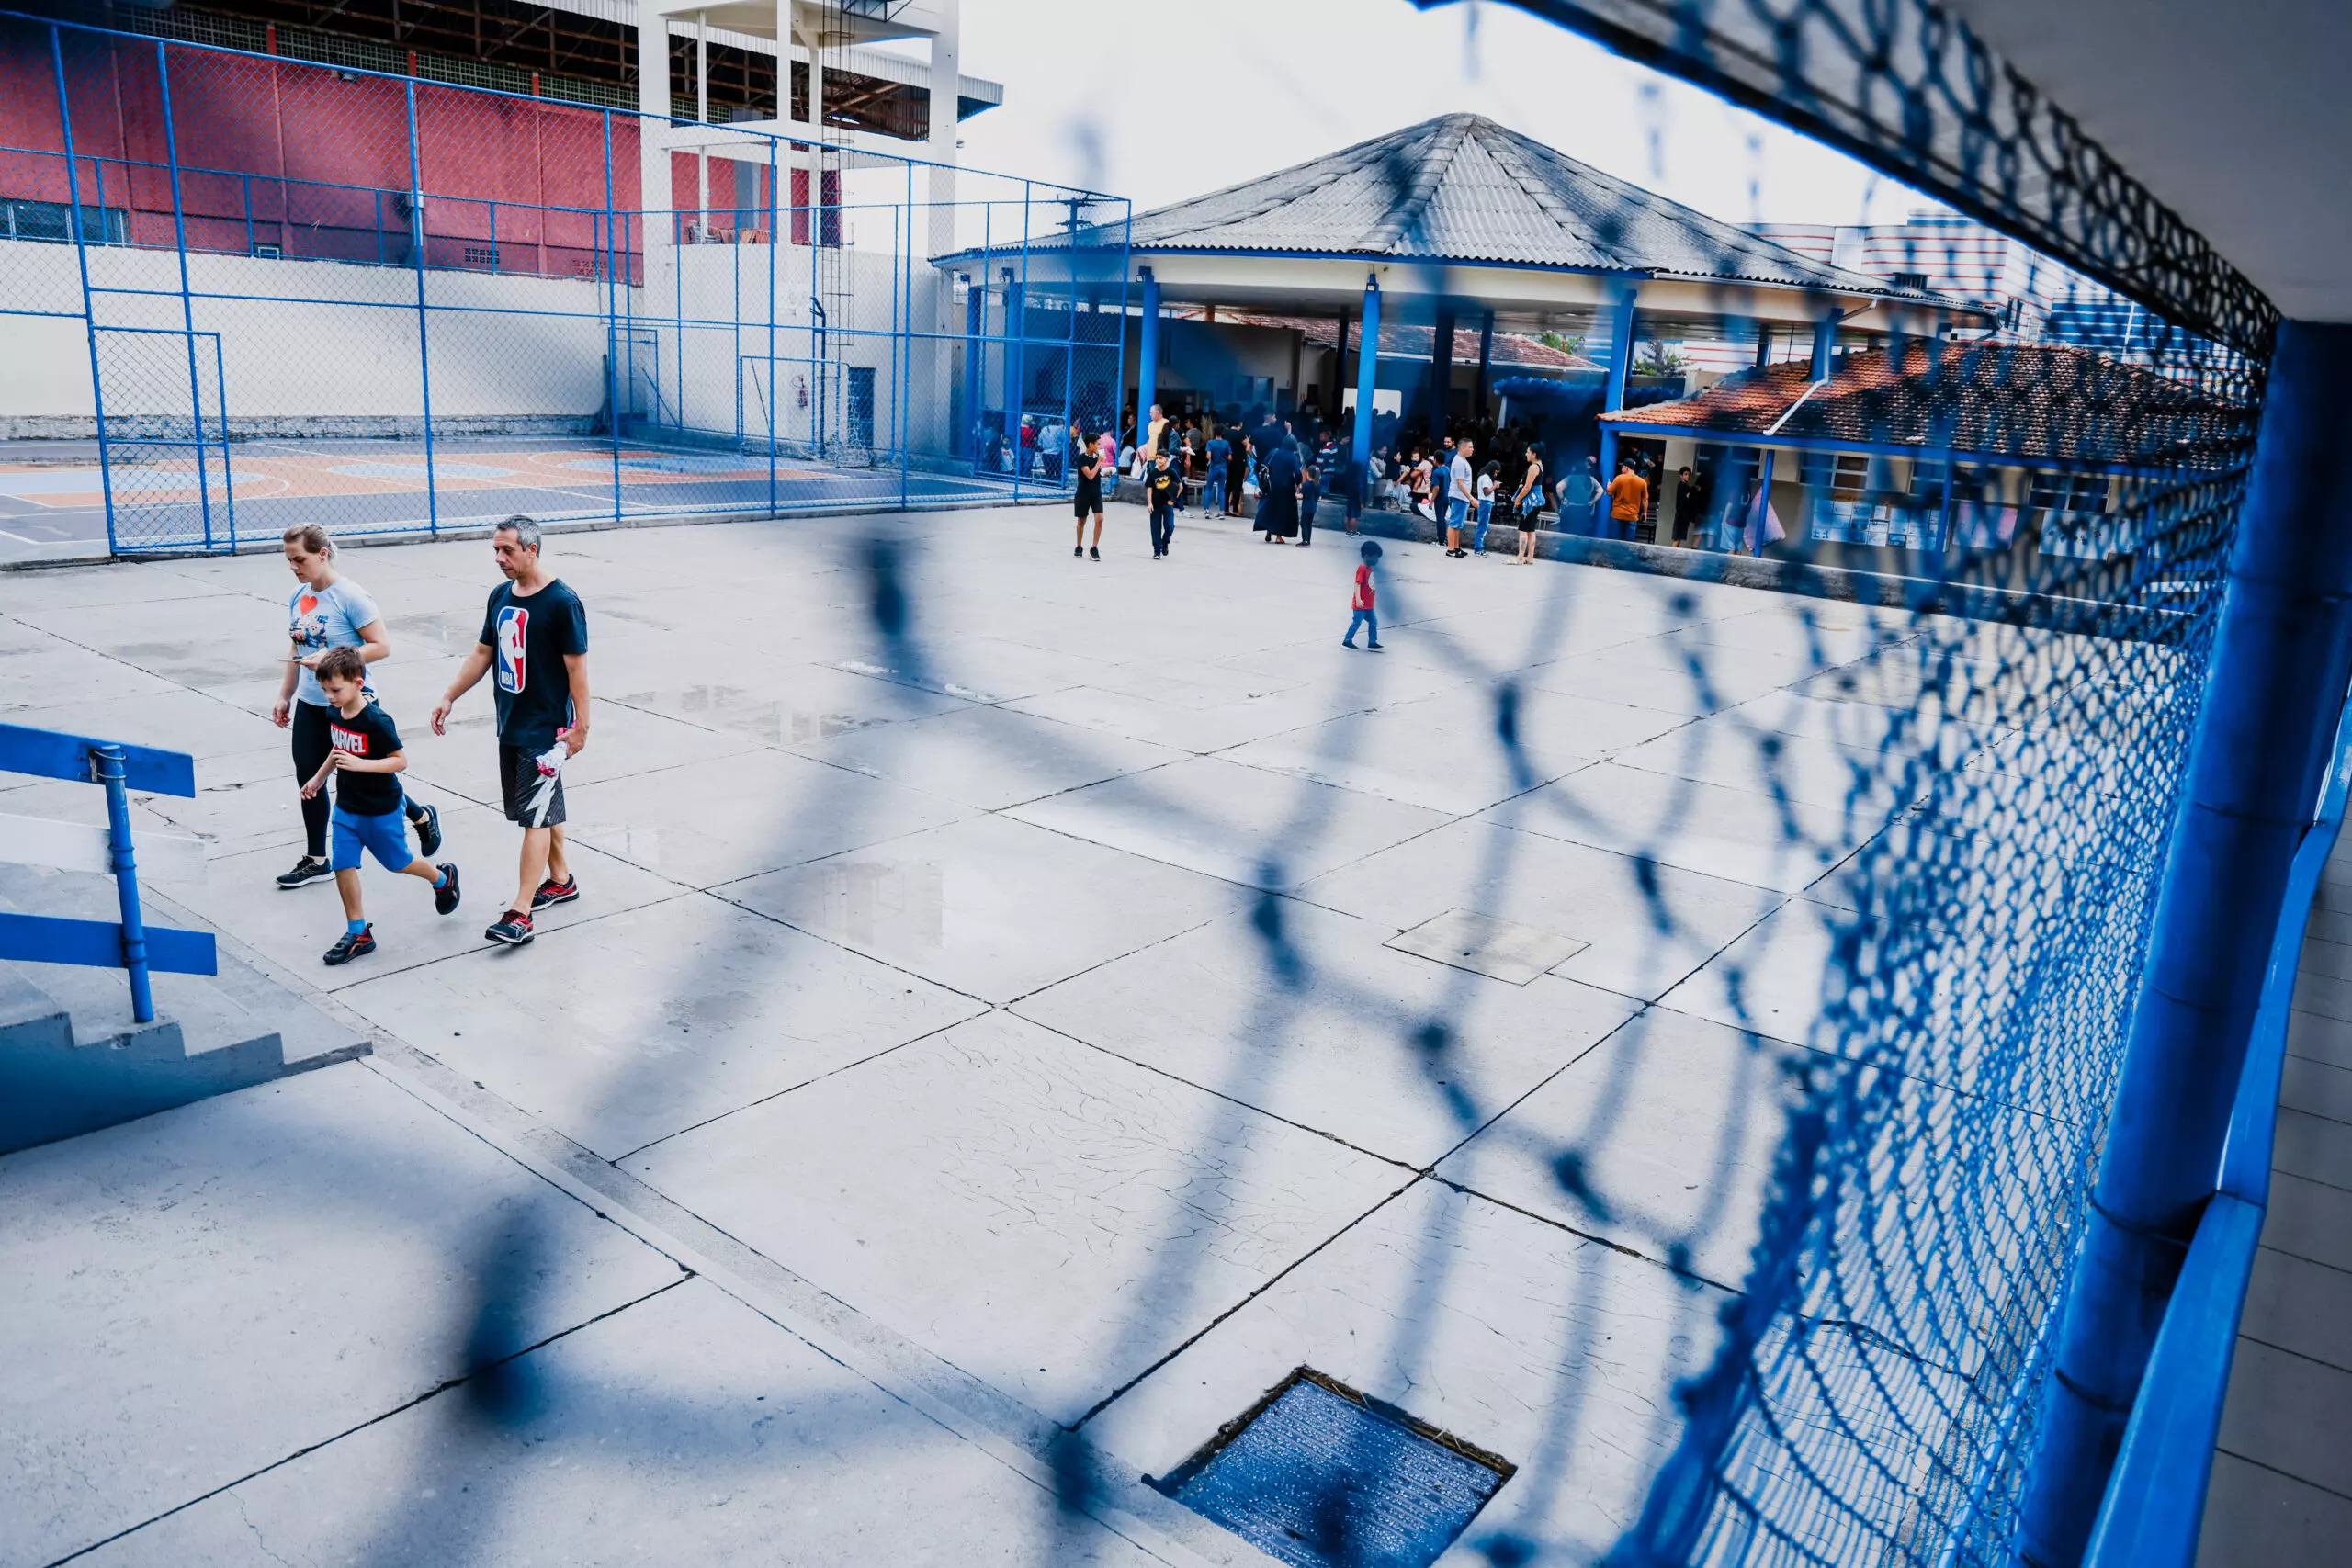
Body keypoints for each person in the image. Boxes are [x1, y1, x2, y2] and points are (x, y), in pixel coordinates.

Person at [429, 517, 590, 949]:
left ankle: (519, 912)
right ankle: (561, 880)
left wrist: (579, 728)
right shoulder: (500, 596)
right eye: (496, 551)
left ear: (532, 550)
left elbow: (577, 669)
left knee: (534, 818)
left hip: (546, 729)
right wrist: (450, 696)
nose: (499, 558)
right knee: (536, 809)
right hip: (511, 724)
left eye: (507, 551)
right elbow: (484, 651)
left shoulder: (561, 602)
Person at [273, 523, 439, 890]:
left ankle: (421, 815)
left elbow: (380, 645)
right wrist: (286, 694)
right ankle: (317, 859)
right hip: (312, 703)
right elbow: (297, 650)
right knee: (309, 775)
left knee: (364, 775)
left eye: (299, 559)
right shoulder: (298, 596)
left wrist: (332, 658)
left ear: (322, 553)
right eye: (288, 560)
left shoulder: (351, 596)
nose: (293, 566)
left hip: (353, 705)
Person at [300, 647, 459, 965]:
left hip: (381, 808)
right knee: (342, 864)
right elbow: (336, 750)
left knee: (398, 863)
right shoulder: (334, 713)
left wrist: (360, 765)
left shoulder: (376, 720)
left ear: (358, 683)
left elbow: (400, 761)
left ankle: (443, 879)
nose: (329, 697)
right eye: (324, 690)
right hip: (346, 808)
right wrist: (317, 779)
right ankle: (358, 932)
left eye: (335, 690)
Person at [1342, 539, 1383, 650]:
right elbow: (1358, 584)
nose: (1376, 560)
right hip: (1360, 605)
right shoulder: (1362, 569)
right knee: (1356, 622)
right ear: (1366, 556)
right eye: (1375, 557)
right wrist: (1358, 599)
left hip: (1368, 606)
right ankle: (1347, 640)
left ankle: (1372, 641)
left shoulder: (1370, 569)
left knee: (1373, 622)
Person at [1259, 437, 1300, 542]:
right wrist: (1298, 483)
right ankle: (1278, 536)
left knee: (1271, 507)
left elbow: (1264, 465)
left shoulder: (1274, 452)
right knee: (1282, 511)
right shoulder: (1293, 457)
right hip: (1286, 488)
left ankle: (1269, 529)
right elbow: (1297, 472)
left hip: (1272, 485)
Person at [1073, 434, 1105, 559]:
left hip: (1096, 492)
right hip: (1083, 493)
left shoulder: (1097, 457)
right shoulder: (1082, 458)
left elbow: (1096, 474)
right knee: (1081, 520)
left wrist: (1105, 473)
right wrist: (1099, 463)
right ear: (1090, 445)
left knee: (1100, 518)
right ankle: (1079, 545)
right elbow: (1090, 475)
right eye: (1097, 444)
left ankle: (1094, 548)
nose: (1099, 446)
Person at [1513, 444, 1546, 565]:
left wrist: (1518, 499)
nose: (1526, 454)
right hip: (1537, 501)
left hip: (1531, 501)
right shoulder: (1540, 465)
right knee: (1530, 529)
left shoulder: (1533, 467)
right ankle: (1530, 557)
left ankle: (1520, 558)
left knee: (1523, 529)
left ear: (1534, 454)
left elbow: (1527, 487)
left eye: (1528, 452)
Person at [1146, 446, 1180, 558]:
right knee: (1155, 527)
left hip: (1167, 504)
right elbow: (1149, 489)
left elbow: (1180, 486)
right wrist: (1150, 503)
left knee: (1170, 526)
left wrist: (1173, 500)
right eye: (1156, 458)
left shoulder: (1171, 472)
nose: (1158, 460)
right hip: (1156, 504)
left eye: (1160, 458)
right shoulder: (1153, 474)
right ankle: (1157, 550)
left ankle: (1165, 542)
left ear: (1166, 459)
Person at [1605, 456, 1649, 540]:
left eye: (1622, 467)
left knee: (1614, 541)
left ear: (1627, 468)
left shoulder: (1619, 478)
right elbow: (1645, 500)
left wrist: (1608, 486)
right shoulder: (1642, 482)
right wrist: (1645, 513)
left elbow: (1609, 492)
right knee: (1629, 544)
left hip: (1617, 515)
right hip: (1632, 517)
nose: (1622, 469)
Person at [1445, 437, 1476, 557]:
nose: (1472, 449)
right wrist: (1471, 497)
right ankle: (1450, 549)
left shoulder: (1463, 461)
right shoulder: (1458, 462)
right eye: (1470, 447)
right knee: (1454, 523)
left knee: (1458, 524)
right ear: (1462, 448)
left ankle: (1456, 547)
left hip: (1462, 497)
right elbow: (1460, 482)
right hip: (1458, 495)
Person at [1673, 465, 1707, 547]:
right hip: (1681, 515)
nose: (1687, 476)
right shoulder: (1682, 486)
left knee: (1679, 537)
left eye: (1688, 474)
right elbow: (1682, 501)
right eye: (1685, 474)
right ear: (1681, 475)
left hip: (1684, 515)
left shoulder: (1686, 486)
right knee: (1677, 537)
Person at [1475, 460, 1499, 556]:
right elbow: (1486, 492)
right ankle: (1478, 549)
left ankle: (1479, 548)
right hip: (1485, 503)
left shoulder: (1485, 476)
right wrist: (1495, 486)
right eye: (1496, 472)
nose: (1496, 474)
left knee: (1482, 526)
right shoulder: (1485, 477)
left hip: (1485, 503)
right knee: (1482, 526)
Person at [1203, 427, 1230, 513]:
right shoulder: (1226, 443)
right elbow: (1230, 457)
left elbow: (1208, 456)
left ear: (1214, 433)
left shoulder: (1210, 443)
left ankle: (1207, 510)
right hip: (1223, 468)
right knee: (1221, 489)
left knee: (1208, 488)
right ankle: (1222, 512)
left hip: (1214, 467)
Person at [1297, 460, 1320, 547]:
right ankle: (1308, 540)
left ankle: (1305, 541)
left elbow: (1301, 496)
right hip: (1313, 507)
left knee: (1303, 523)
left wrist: (1296, 494)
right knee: (1309, 524)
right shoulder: (1317, 485)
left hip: (1306, 507)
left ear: (1308, 474)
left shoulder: (1306, 485)